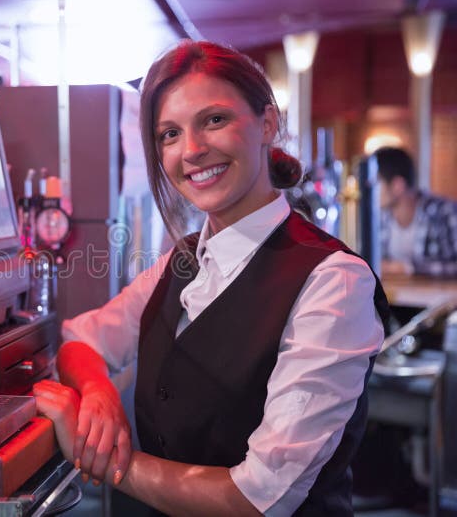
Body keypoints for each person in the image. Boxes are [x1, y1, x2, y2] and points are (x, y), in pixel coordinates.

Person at [33, 40, 390, 516]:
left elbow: (257, 498)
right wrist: (98, 393)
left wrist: (100, 457)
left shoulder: (333, 282)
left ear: (267, 123)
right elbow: (81, 340)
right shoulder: (180, 263)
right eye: (169, 134)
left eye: (214, 120)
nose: (192, 151)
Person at [374, 146, 457, 278]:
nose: (370, 191)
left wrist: (410, 268)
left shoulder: (445, 212)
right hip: (394, 296)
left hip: (440, 297)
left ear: (397, 186)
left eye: (376, 183)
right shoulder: (379, 219)